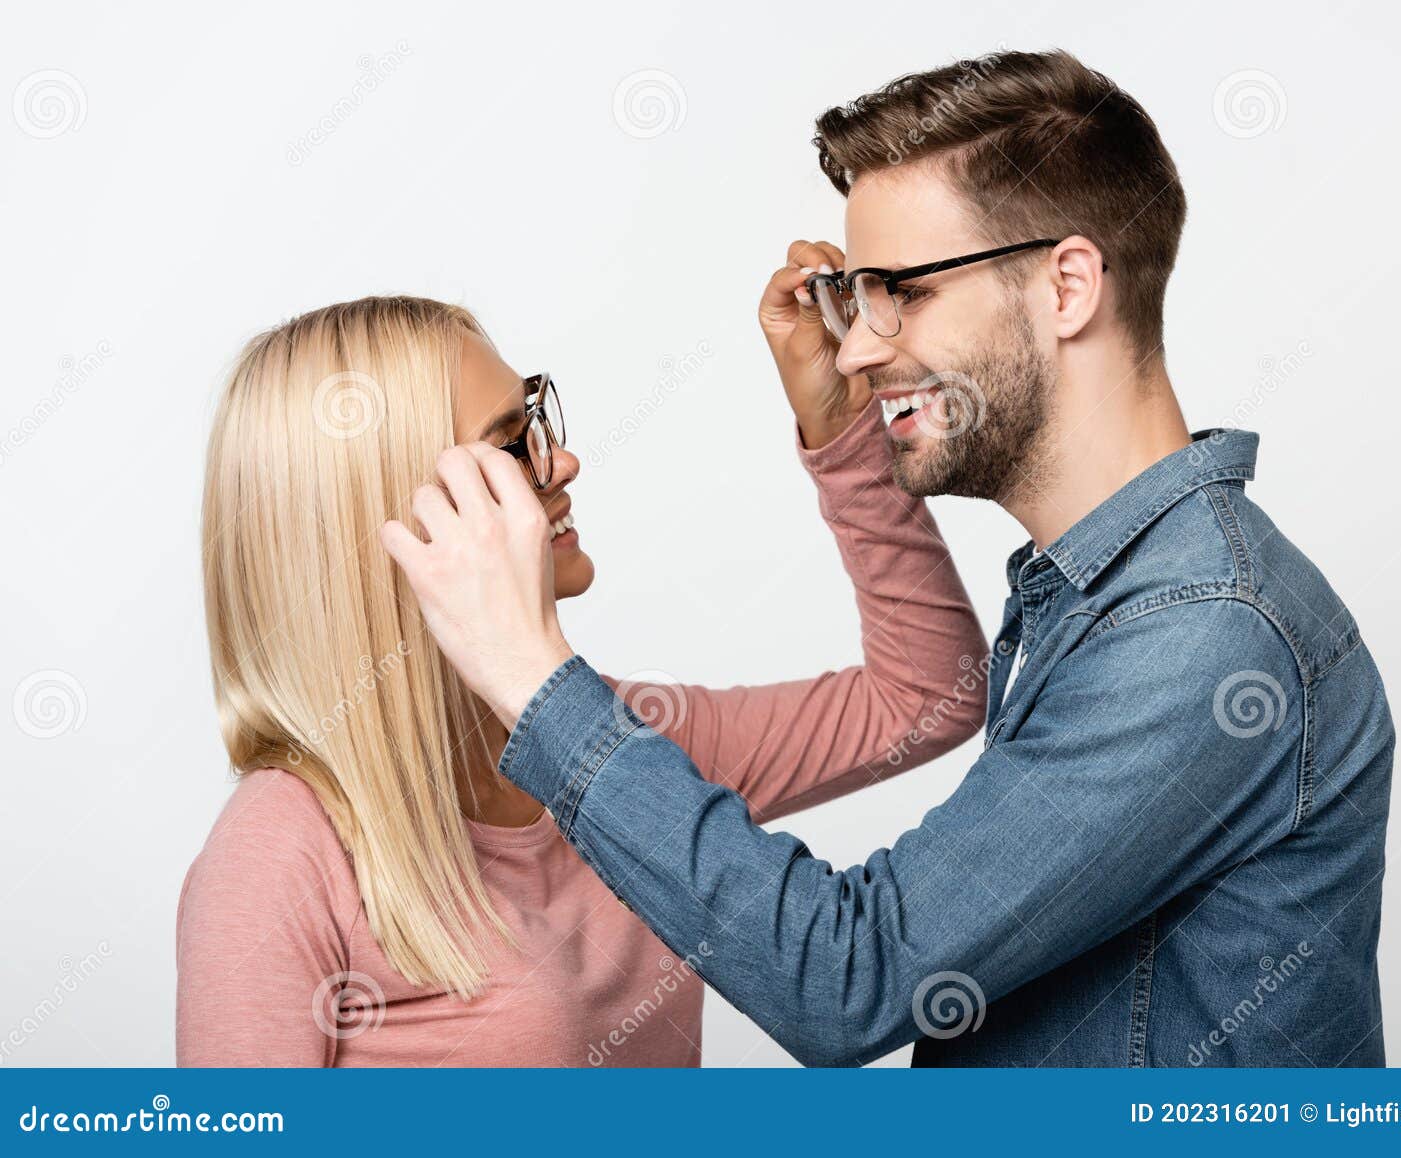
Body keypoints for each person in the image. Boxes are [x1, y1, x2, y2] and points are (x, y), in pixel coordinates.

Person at [385, 49, 1397, 1067]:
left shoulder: (1199, 632)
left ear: (1067, 287)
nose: (859, 349)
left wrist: (531, 676)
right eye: (854, 298)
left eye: (900, 294)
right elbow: (928, 700)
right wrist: (845, 433)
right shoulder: (1108, 592)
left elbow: (846, 980)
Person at [177, 293, 986, 1065]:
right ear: (388, 522)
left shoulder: (625, 747)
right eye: (508, 449)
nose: (560, 461)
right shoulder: (280, 853)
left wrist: (844, 435)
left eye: (535, 419)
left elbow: (925, 696)